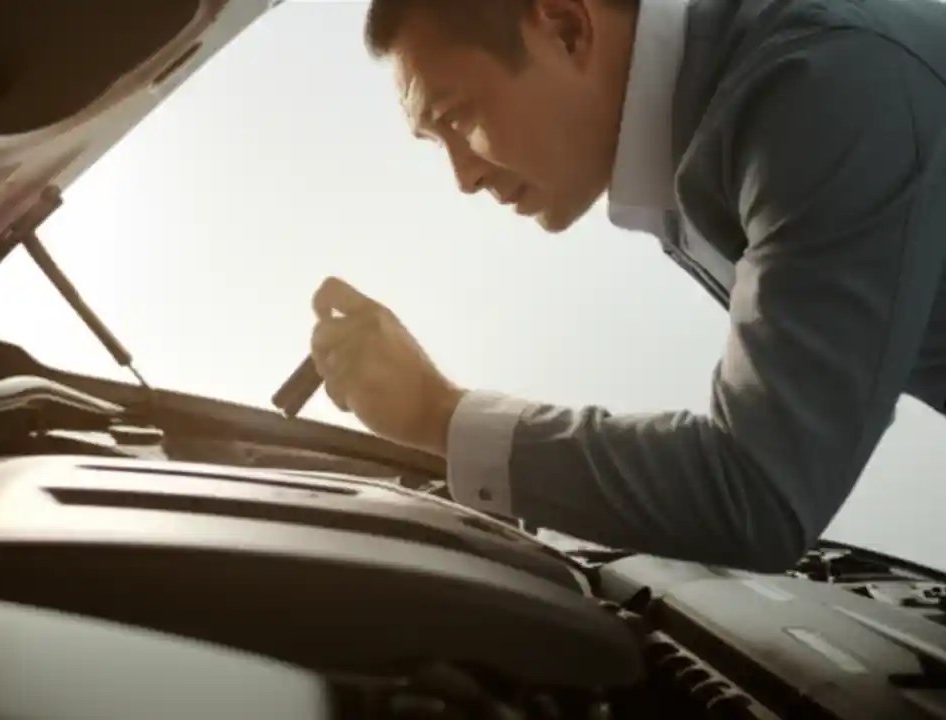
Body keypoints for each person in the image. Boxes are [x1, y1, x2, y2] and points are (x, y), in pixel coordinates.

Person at [309, 0, 946, 572]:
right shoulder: (701, 124)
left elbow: (758, 492)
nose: (463, 177)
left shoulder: (819, 92)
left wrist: (439, 415)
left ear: (564, 26)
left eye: (458, 117)